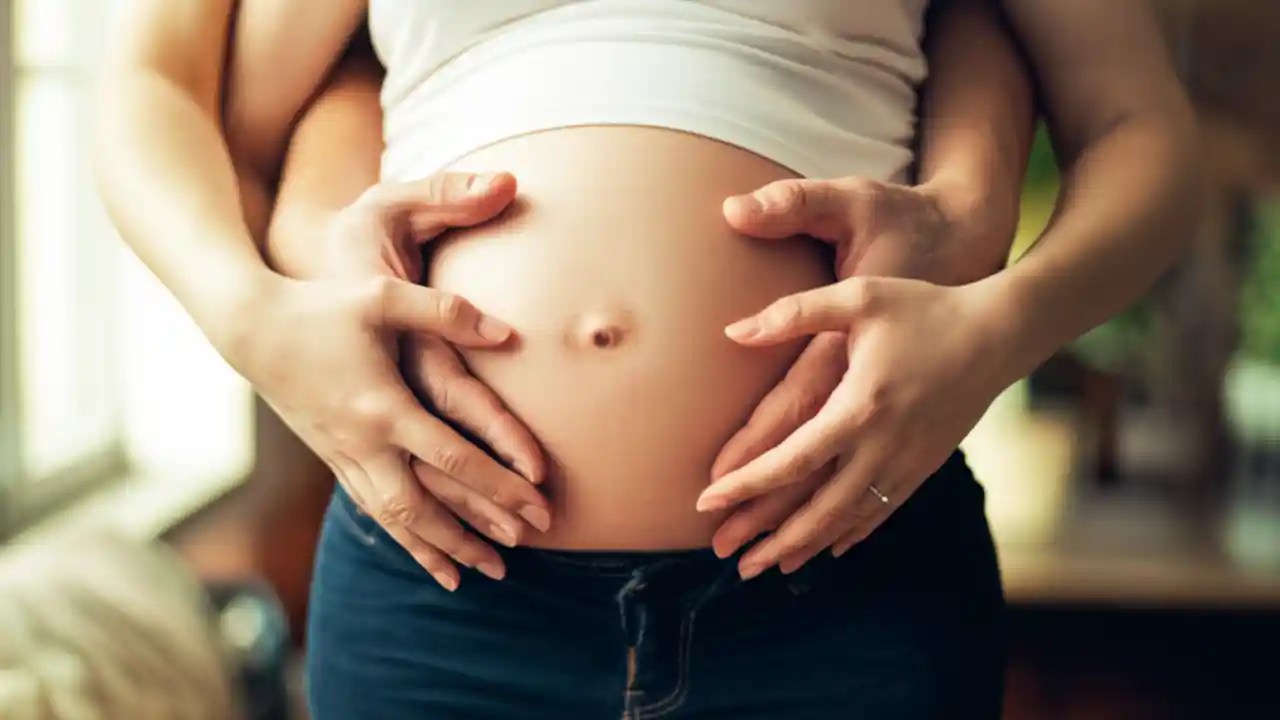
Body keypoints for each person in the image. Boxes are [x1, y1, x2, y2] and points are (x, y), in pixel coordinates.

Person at [94, 0, 1196, 717]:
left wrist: (993, 330)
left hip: (844, 577)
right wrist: (255, 321)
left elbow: (1137, 129)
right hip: (442, 590)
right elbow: (159, 86)